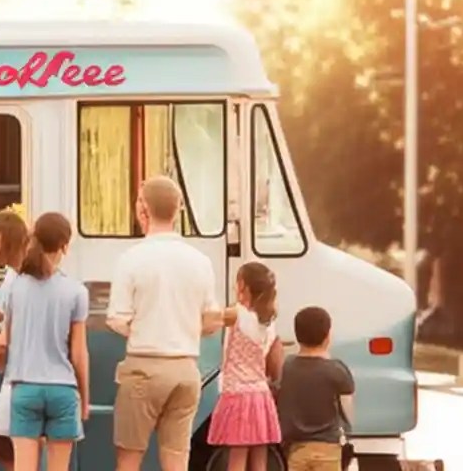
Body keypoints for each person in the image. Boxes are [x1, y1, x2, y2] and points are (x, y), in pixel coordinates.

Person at [106, 176, 223, 471]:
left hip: (144, 368)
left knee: (129, 458)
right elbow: (212, 322)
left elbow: (117, 320)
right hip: (186, 370)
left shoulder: (131, 259)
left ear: (142, 209)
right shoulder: (200, 261)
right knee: (176, 459)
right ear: (179, 209)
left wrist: (147, 328)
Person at [0, 212, 89, 471]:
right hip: (63, 390)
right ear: (65, 246)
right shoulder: (76, 291)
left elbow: (5, 340)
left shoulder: (16, 287)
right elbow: (79, 353)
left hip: (24, 388)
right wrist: (85, 398)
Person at [206, 262, 285, 471]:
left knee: (237, 462)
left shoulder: (238, 314)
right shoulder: (268, 322)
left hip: (238, 395)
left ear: (242, 285)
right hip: (260, 395)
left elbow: (208, 321)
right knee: (260, 461)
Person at [0, 207, 31, 470]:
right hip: (30, 374)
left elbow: (8, 327)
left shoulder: (17, 279)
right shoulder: (18, 273)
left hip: (24, 376)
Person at [276, 306, 355, 471]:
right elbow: (347, 409)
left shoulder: (287, 367)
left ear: (297, 336)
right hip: (329, 448)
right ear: (327, 336)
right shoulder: (336, 369)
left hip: (296, 449)